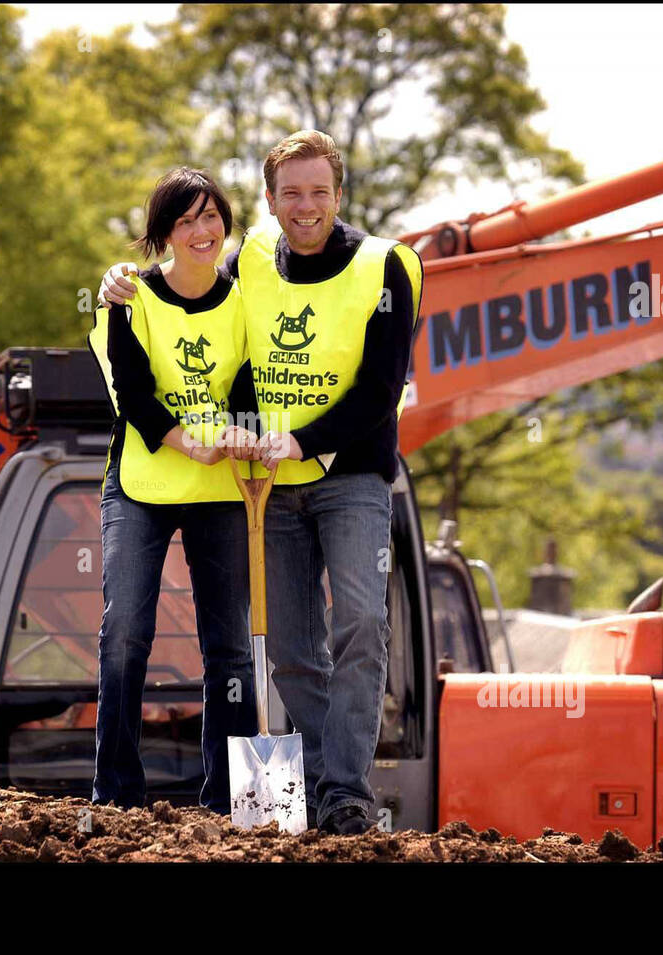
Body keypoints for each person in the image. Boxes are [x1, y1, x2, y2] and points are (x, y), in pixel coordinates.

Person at [100, 131, 424, 834]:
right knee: (287, 648)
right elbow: (218, 340)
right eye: (290, 193)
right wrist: (115, 284)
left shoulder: (384, 266)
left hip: (351, 475)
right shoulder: (250, 262)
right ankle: (303, 790)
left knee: (363, 623)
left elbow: (381, 386)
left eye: (318, 192)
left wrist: (299, 440)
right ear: (271, 201)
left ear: (339, 195)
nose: (304, 207)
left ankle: (346, 793)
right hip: (268, 483)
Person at [86, 167, 258, 815]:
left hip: (220, 490)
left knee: (231, 648)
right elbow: (130, 391)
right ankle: (117, 794)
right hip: (142, 483)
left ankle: (232, 801)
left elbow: (248, 387)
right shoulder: (128, 296)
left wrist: (244, 439)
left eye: (211, 215)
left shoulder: (244, 301)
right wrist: (189, 440)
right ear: (164, 233)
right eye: (185, 220)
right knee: (125, 631)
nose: (202, 230)